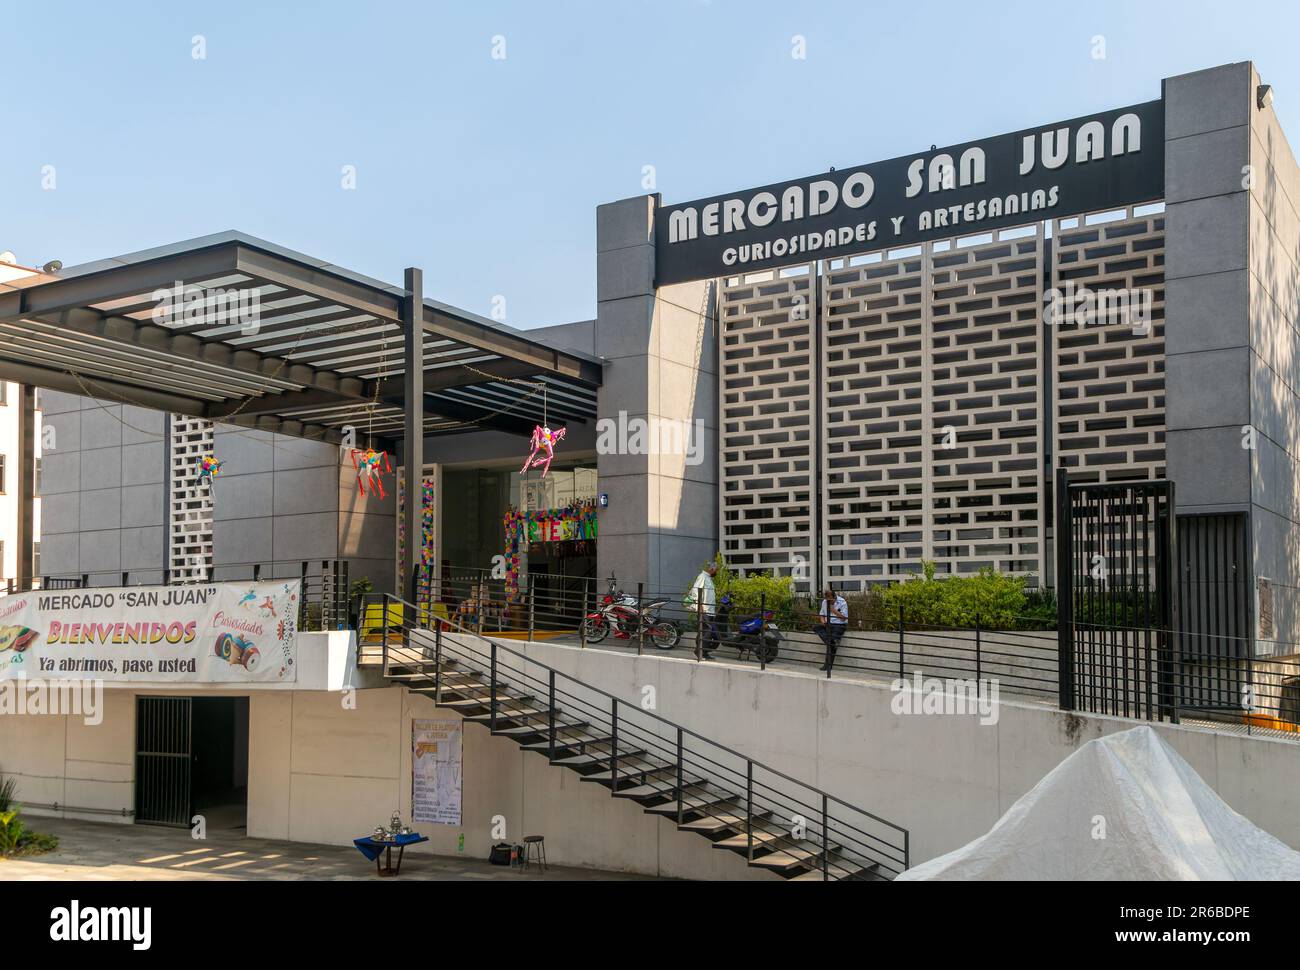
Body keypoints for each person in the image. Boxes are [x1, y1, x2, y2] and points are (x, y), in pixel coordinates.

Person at [687, 562, 719, 659]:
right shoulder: (702, 577)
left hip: (709, 610)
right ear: (711, 569)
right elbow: (696, 591)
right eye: (716, 570)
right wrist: (700, 606)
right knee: (706, 630)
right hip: (704, 610)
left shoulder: (708, 578)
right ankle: (699, 652)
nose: (716, 572)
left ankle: (704, 652)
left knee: (705, 631)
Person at [815, 587, 849, 671]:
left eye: (830, 600)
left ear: (834, 597)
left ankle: (828, 665)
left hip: (839, 625)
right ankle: (830, 642)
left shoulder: (842, 602)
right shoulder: (824, 602)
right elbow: (821, 615)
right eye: (827, 599)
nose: (828, 601)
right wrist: (824, 622)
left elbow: (844, 617)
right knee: (816, 628)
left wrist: (832, 610)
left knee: (830, 645)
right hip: (828, 624)